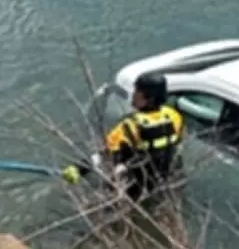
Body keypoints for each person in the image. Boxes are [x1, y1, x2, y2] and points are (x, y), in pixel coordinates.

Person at [61, 72, 186, 205]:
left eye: (138, 91)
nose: (133, 94)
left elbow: (104, 155)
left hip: (137, 188)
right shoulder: (174, 116)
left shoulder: (130, 125)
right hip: (166, 181)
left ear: (149, 98)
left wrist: (79, 169)